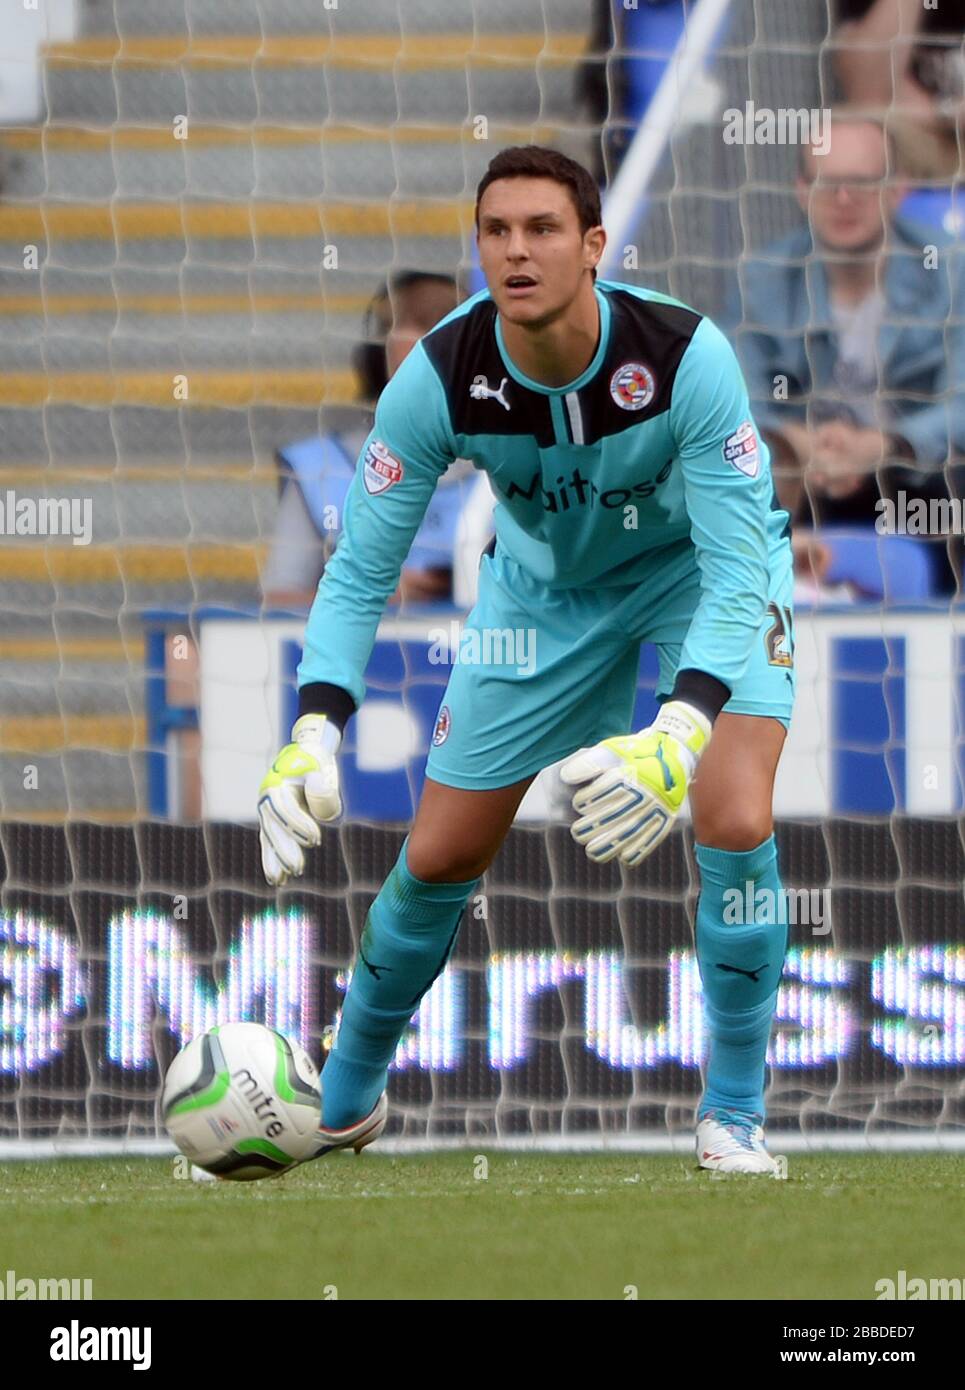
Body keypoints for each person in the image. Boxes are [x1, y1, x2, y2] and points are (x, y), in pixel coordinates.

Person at [258, 145, 796, 1175]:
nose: (517, 251)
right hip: (540, 596)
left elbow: (736, 568)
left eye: (542, 229)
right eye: (496, 232)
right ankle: (345, 1097)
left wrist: (678, 729)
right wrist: (312, 728)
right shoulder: (438, 378)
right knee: (440, 854)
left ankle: (731, 1114)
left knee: (732, 812)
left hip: (699, 577)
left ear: (593, 247)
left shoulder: (686, 356)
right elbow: (360, 567)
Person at [735, 113, 964, 593]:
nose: (844, 199)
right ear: (802, 190)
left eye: (862, 183)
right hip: (810, 478)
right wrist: (795, 440)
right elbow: (736, 398)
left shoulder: (951, 271)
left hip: (918, 479)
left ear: (897, 191)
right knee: (734, 471)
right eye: (828, 183)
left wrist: (884, 445)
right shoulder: (764, 278)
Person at [262, 271, 473, 609]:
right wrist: (373, 598)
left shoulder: (508, 466)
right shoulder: (322, 469)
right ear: (377, 360)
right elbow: (275, 605)